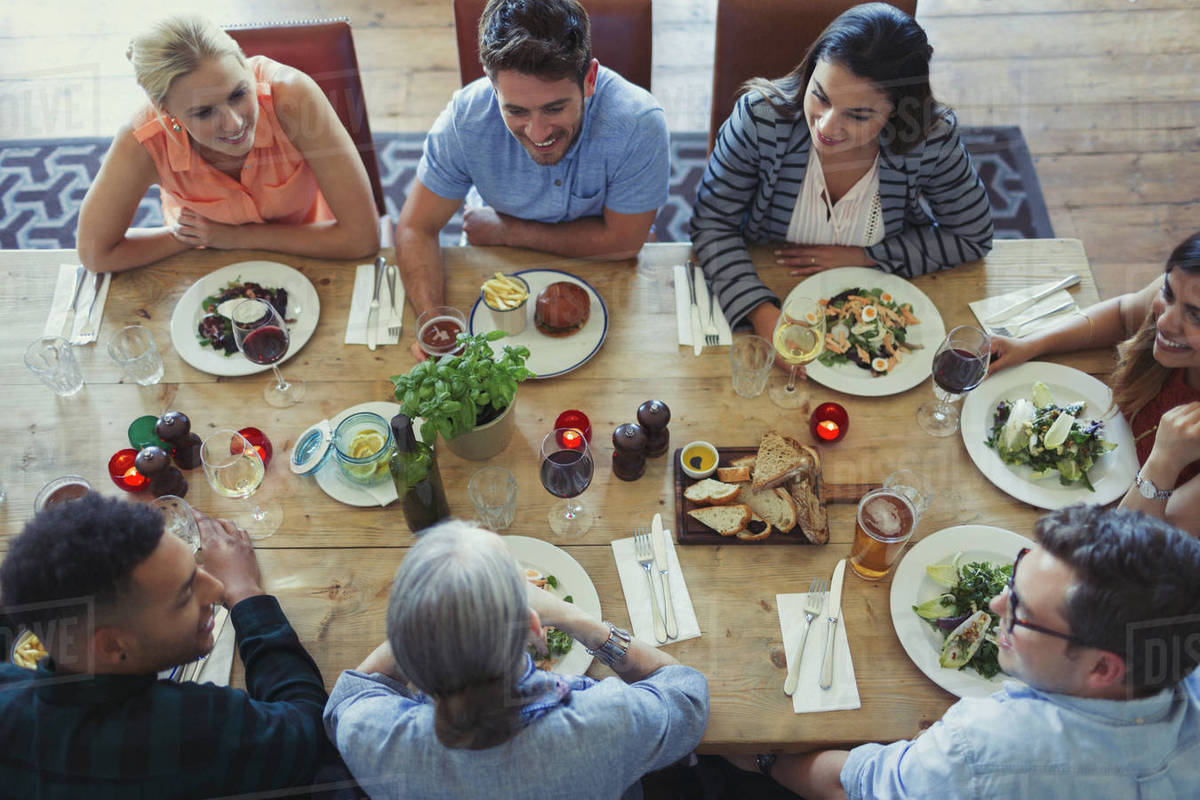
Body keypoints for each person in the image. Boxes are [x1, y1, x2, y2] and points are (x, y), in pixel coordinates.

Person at [733, 504, 1200, 799]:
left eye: (1022, 609)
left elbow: (854, 784)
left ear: (1102, 667)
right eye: (1016, 575)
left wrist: (764, 760)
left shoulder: (983, 748)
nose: (997, 605)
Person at [324, 520, 708, 799]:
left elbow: (347, 699)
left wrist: (430, 616)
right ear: (534, 627)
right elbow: (688, 696)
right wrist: (579, 619)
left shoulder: (372, 737)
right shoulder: (607, 721)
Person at [0, 493, 348, 797]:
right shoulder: (187, 730)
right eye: (184, 595)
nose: (214, 589)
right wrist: (245, 594)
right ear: (111, 646)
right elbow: (310, 729)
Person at [690, 2, 993, 343]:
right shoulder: (760, 119)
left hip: (881, 307)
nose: (826, 126)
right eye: (819, 95)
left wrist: (867, 257)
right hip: (771, 280)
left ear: (897, 113)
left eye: (858, 115)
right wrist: (760, 312)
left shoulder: (931, 140)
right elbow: (712, 223)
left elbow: (972, 236)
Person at [396, 0, 670, 337]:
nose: (538, 133)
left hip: (607, 272)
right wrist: (432, 322)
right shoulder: (464, 118)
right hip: (495, 268)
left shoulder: (639, 124)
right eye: (517, 111)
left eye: (554, 108)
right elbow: (416, 228)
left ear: (589, 79)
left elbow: (625, 243)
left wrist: (507, 232)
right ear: (492, 86)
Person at [77, 14, 379, 273]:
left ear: (246, 68)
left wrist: (234, 238)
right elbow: (96, 254)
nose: (235, 124)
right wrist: (190, 237)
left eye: (238, 94)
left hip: (312, 244)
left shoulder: (292, 98)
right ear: (167, 113)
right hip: (206, 257)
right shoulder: (144, 141)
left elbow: (361, 238)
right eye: (204, 112)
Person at [989, 232, 1200, 536]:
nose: (1165, 322)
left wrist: (1166, 461)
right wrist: (1031, 344)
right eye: (1167, 293)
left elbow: (1135, 542)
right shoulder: (1182, 293)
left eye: (1195, 316)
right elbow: (1121, 313)